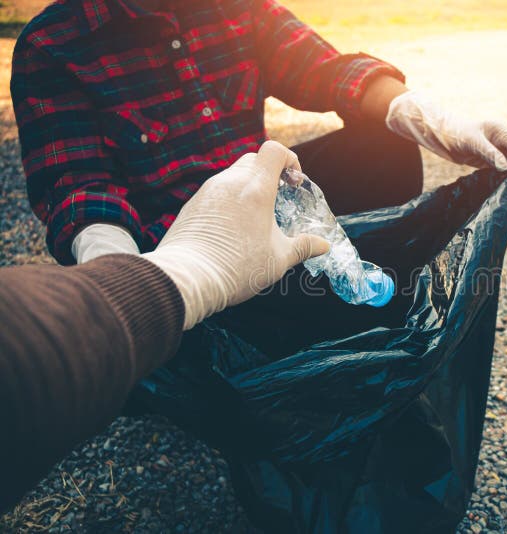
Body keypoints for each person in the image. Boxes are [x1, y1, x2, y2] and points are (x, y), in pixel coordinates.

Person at [11, 0, 507, 266]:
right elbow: (79, 190)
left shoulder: (237, 9)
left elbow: (325, 70)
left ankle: (354, 291)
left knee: (382, 145)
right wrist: (125, 282)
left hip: (273, 207)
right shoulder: (54, 46)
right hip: (184, 254)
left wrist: (428, 117)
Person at [0, 141, 327, 513]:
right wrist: (160, 271)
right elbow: (74, 177)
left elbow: (303, 78)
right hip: (159, 243)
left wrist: (387, 95)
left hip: (254, 215)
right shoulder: (58, 79)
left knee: (376, 151)